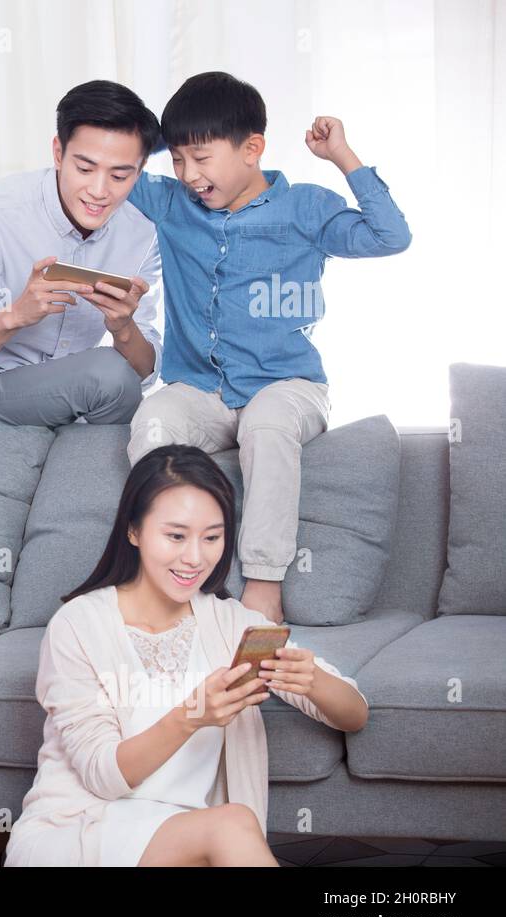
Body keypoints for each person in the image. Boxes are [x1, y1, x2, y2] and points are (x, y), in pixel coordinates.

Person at [125, 72, 412, 624]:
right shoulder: (169, 203)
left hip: (289, 386)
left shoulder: (306, 208)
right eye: (177, 160)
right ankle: (165, 580)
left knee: (267, 423)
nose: (188, 175)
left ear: (253, 148)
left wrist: (343, 156)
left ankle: (262, 585)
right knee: (153, 422)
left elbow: (390, 237)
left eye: (202, 158)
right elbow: (114, 162)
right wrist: (167, 135)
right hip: (200, 391)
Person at [4, 444, 368, 866]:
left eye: (212, 537)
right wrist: (192, 715)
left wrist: (314, 681)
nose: (195, 558)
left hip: (183, 841)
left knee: (230, 827)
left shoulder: (232, 624)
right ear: (134, 530)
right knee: (232, 825)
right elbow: (103, 776)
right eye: (176, 536)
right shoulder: (78, 625)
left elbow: (355, 713)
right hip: (79, 832)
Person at [0, 79, 165, 427]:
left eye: (120, 176)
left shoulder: (142, 234)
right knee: (107, 374)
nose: (99, 191)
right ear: (58, 153)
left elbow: (144, 373)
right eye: (85, 169)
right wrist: (15, 316)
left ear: (140, 169)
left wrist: (123, 329)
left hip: (64, 396)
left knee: (121, 379)